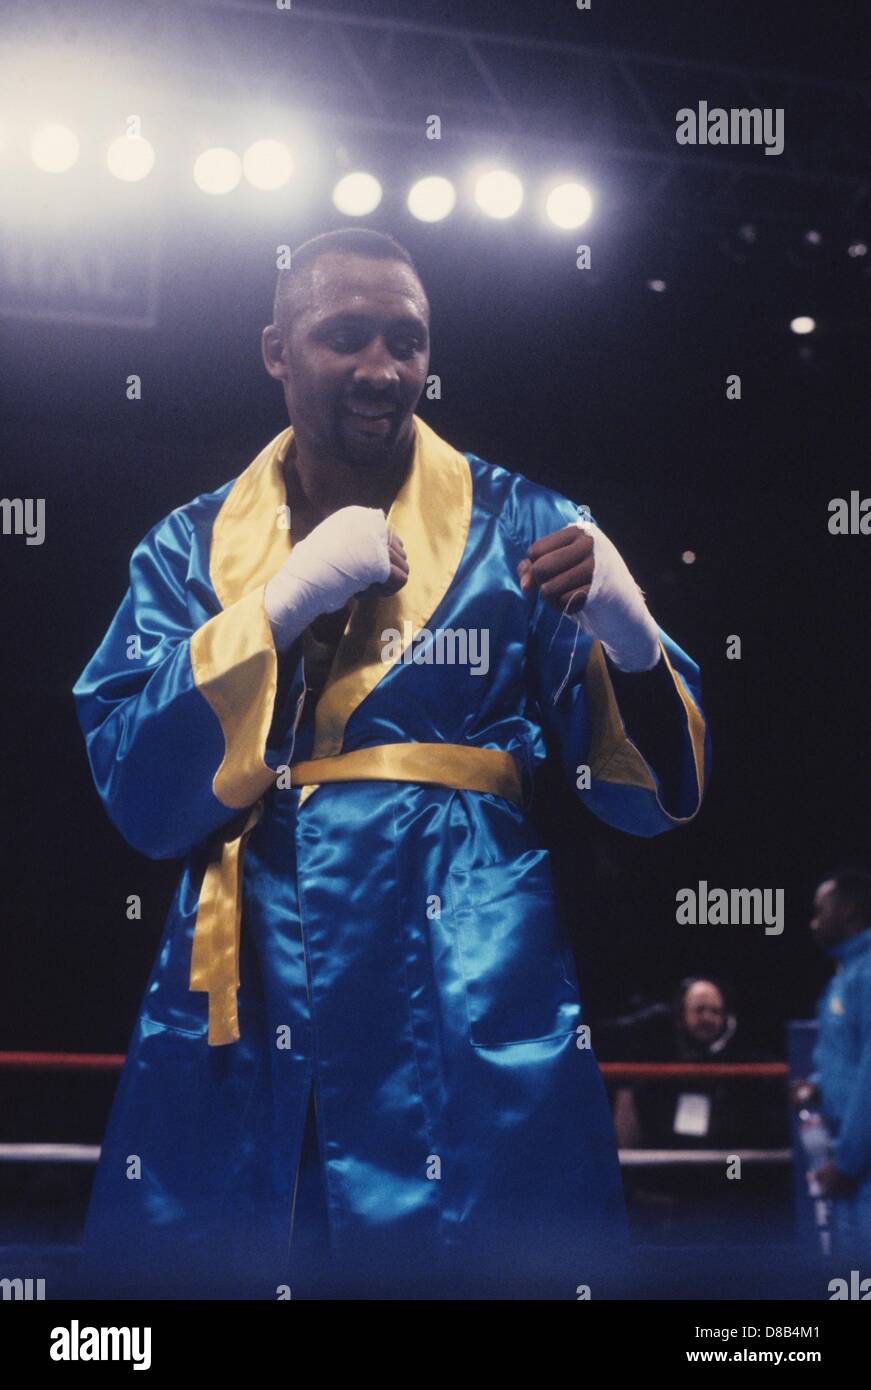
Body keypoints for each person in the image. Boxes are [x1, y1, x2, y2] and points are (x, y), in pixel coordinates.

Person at [72, 227, 710, 1299]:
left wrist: (635, 644)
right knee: (238, 1245)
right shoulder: (189, 548)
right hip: (252, 958)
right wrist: (273, 610)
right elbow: (136, 791)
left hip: (465, 960)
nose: (382, 367)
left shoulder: (527, 524)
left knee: (490, 1253)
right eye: (345, 337)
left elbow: (645, 800)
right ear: (276, 350)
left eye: (406, 340)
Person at [604, 977, 787, 1151]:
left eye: (715, 1011)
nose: (707, 1018)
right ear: (682, 1014)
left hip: (729, 1167)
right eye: (699, 1010)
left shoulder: (745, 1063)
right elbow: (629, 1142)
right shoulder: (658, 1062)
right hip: (667, 1166)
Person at [793, 869, 871, 1262]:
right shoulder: (845, 976)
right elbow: (848, 1057)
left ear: (850, 910)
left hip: (860, 1167)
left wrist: (845, 1163)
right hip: (852, 1168)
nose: (813, 922)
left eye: (820, 910)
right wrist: (817, 1085)